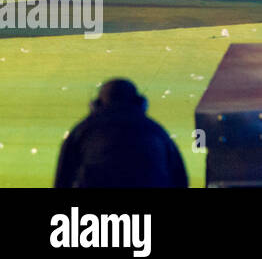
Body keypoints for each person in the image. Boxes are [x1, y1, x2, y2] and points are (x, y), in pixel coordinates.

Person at [54, 79, 188, 188]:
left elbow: (63, 178)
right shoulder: (154, 130)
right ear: (140, 103)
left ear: (96, 105)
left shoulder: (83, 130)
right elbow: (180, 178)